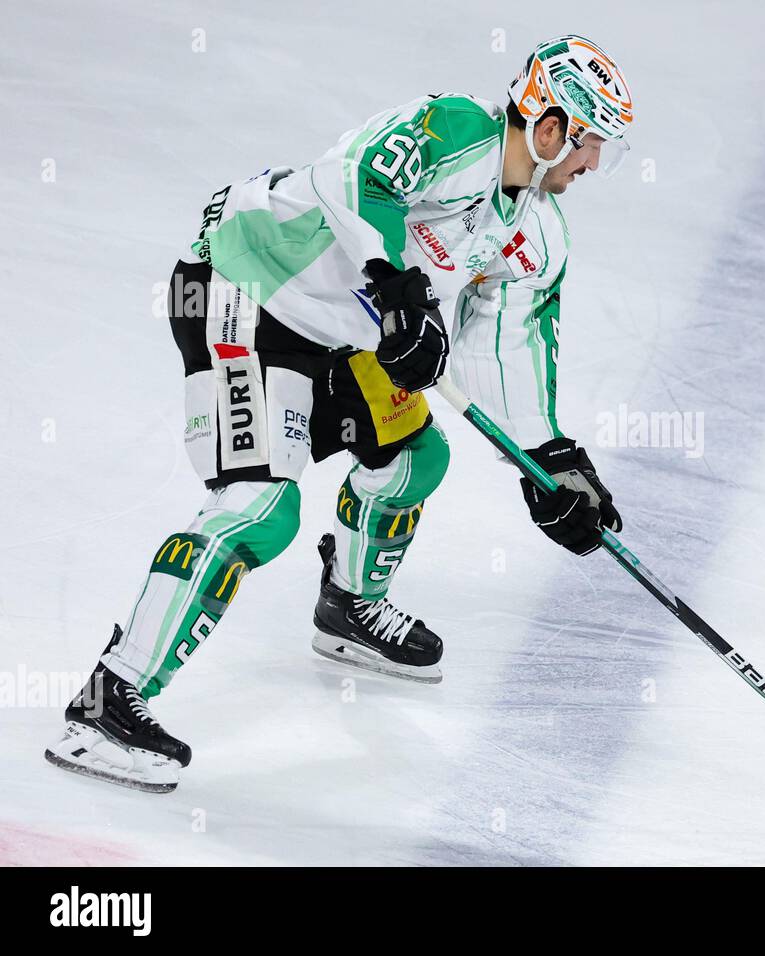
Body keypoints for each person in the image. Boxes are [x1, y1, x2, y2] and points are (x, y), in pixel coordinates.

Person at [45, 35, 634, 793]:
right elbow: (353, 176)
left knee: (415, 459)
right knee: (260, 507)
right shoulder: (453, 130)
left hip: (340, 332)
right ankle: (103, 704)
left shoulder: (538, 235)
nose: (591, 167)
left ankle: (349, 607)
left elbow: (509, 337)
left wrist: (548, 459)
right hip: (242, 288)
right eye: (591, 147)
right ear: (550, 130)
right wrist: (394, 285)